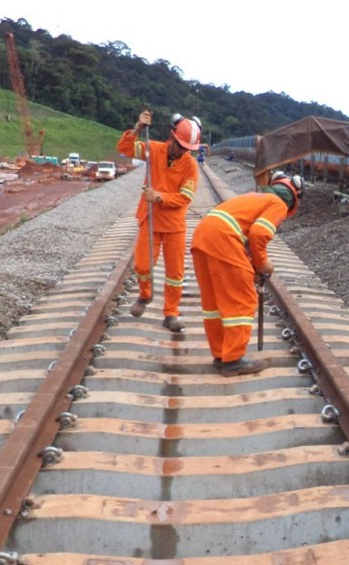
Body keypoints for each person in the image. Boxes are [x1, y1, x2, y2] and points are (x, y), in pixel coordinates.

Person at [190, 172, 304, 376]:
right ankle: (233, 359)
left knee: (214, 303)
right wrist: (262, 265)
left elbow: (245, 241)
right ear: (293, 200)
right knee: (242, 300)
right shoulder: (277, 204)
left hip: (202, 237)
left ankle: (220, 355)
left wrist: (251, 268)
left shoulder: (254, 198)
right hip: (223, 240)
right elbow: (259, 234)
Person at [116, 110, 202, 332]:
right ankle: (145, 295)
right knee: (142, 266)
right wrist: (137, 129)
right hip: (150, 219)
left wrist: (160, 196)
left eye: (187, 149)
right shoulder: (152, 150)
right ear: (172, 137)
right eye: (180, 146)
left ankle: (171, 313)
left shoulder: (190, 166)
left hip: (174, 226)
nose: (183, 151)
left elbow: (186, 197)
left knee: (175, 274)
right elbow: (124, 148)